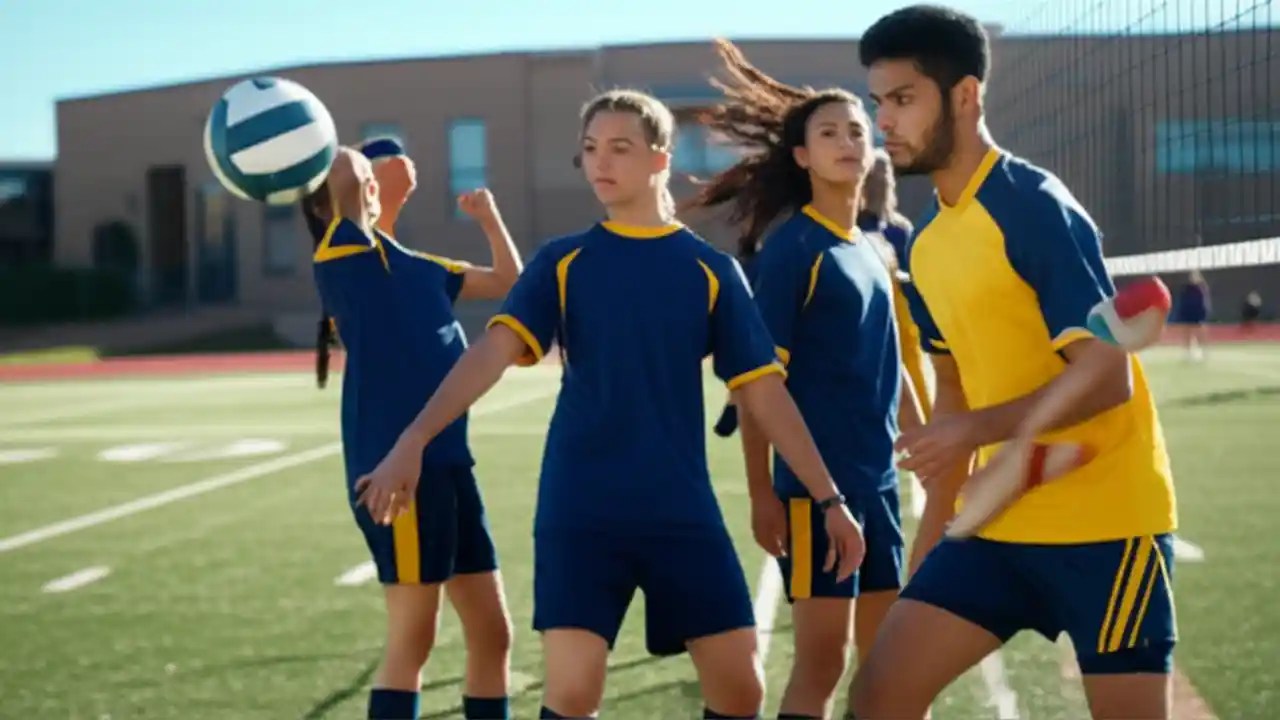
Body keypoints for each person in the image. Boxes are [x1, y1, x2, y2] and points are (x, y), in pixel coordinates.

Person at [353, 88, 866, 720]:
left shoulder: (711, 271)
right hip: (582, 508)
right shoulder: (563, 262)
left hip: (681, 509)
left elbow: (762, 390)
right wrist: (413, 441)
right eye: (591, 149)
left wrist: (830, 499)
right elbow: (488, 357)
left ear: (660, 160)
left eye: (620, 148)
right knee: (573, 692)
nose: (602, 162)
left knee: (741, 689)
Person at [852, 6, 1178, 720]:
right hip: (997, 528)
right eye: (879, 102)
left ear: (966, 96)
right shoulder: (927, 244)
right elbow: (954, 396)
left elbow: (1106, 376)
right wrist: (934, 536)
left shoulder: (1034, 206)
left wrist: (970, 435)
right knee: (878, 696)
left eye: (904, 99)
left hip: (1106, 526)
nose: (886, 121)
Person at [684, 39, 923, 720]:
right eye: (829, 133)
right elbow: (756, 388)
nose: (849, 141)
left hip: (876, 489)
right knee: (822, 666)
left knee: (888, 669)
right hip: (818, 496)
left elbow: (889, 365)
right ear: (802, 157)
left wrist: (928, 448)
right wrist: (764, 495)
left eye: (857, 129)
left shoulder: (872, 250)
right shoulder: (795, 253)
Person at [303, 141, 523, 720]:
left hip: (449, 464)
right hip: (396, 473)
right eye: (359, 175)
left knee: (494, 634)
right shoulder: (345, 254)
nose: (366, 176)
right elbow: (346, 174)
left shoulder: (421, 267)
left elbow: (507, 279)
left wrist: (487, 216)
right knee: (414, 640)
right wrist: (333, 150)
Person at [858, 149, 940, 574]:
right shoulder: (850, 233)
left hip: (907, 353)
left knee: (924, 446)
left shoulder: (901, 232)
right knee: (898, 451)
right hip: (877, 354)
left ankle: (932, 550)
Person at [1175, 269, 1211, 360]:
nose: (1193, 278)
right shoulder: (1186, 289)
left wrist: (1203, 313)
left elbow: (1204, 302)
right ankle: (1188, 353)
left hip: (1198, 314)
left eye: (1195, 276)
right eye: (1192, 276)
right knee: (1187, 334)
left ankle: (1204, 351)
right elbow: (1183, 301)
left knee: (1200, 334)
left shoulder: (1202, 288)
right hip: (1187, 314)